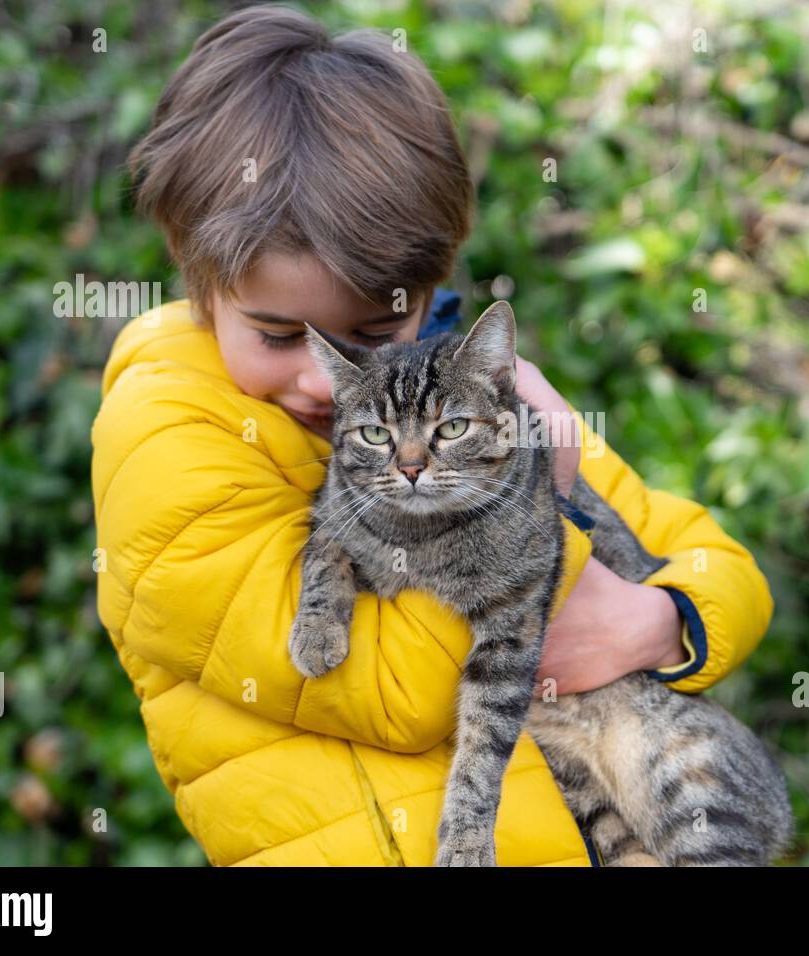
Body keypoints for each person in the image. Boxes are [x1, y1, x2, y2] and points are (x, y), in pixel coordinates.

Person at [91, 4, 773, 866]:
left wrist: (656, 621)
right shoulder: (163, 431)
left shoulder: (469, 395)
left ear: (428, 286)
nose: (322, 381)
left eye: (371, 335)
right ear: (200, 281)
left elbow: (725, 569)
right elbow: (390, 691)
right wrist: (546, 536)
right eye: (276, 335)